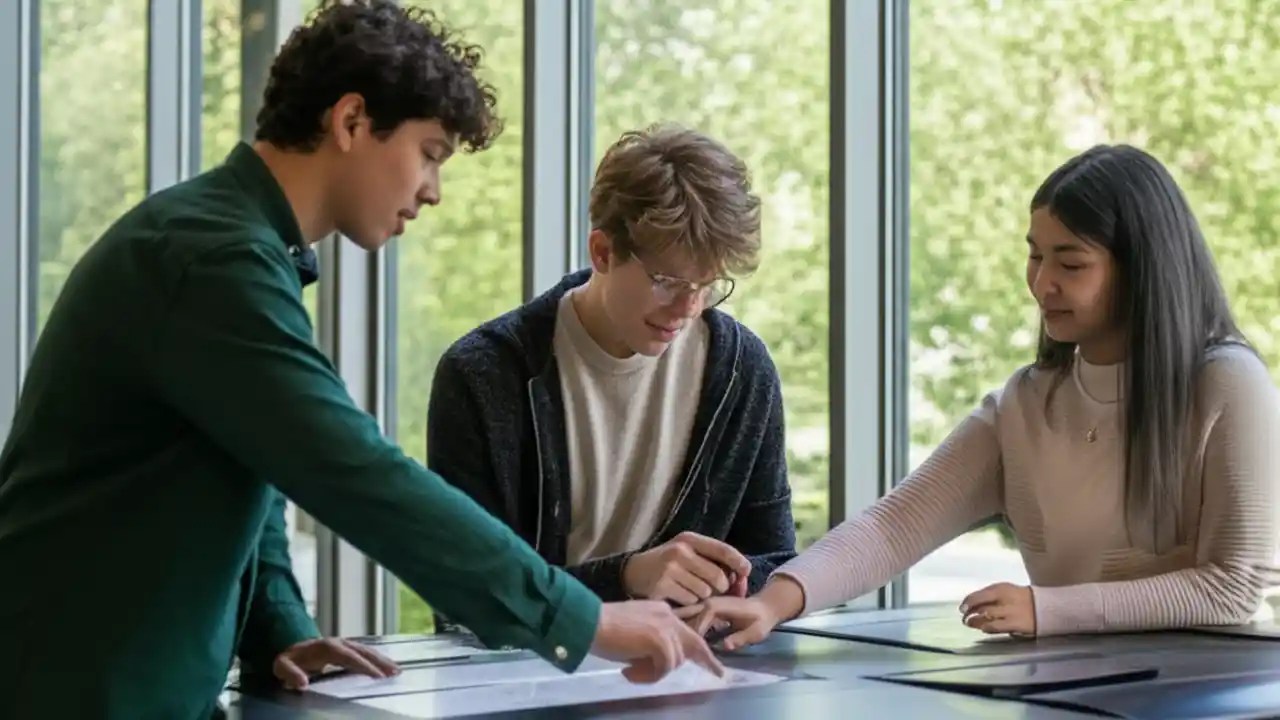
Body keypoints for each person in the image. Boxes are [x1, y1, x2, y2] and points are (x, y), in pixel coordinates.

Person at [0, 2, 718, 716]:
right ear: (350, 122)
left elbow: (260, 458)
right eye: (430, 153)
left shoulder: (235, 248)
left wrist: (279, 626)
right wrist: (584, 621)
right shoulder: (211, 261)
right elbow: (353, 469)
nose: (432, 191)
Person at [681, 144, 1280, 649]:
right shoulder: (1026, 404)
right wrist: (774, 602)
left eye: (1071, 264)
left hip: (1203, 692)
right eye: (1035, 255)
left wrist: (1047, 610)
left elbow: (1234, 586)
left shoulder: (1228, 382)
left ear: (1141, 269)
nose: (1043, 283)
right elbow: (894, 527)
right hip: (1069, 684)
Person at [426, 123, 797, 609]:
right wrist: (625, 578)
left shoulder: (740, 371)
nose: (688, 309)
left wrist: (726, 588)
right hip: (532, 677)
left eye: (708, 285)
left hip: (692, 671)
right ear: (601, 251)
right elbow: (468, 596)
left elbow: (773, 558)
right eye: (667, 282)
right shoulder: (483, 375)